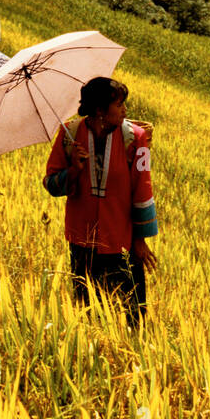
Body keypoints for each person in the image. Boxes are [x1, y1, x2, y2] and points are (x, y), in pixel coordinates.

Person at [43, 77, 158, 330]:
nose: (125, 110)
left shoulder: (135, 139)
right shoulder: (69, 135)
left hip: (121, 240)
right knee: (88, 312)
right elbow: (51, 183)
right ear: (99, 111)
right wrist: (73, 170)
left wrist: (139, 240)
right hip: (82, 241)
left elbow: (143, 187)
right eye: (119, 104)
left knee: (132, 313)